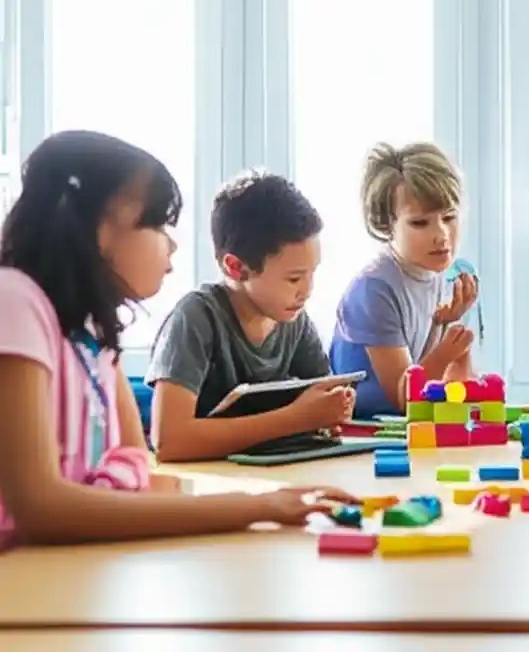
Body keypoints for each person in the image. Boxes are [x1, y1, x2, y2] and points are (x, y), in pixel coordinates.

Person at [0, 131, 352, 547]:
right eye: (157, 223)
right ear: (95, 229)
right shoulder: (15, 301)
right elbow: (42, 507)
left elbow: (140, 474)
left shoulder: (93, 330)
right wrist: (256, 507)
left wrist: (264, 504)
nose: (173, 242)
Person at [148, 172, 353, 461]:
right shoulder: (195, 318)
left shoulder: (293, 319)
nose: (307, 291)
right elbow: (169, 441)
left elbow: (323, 398)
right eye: (294, 278)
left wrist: (334, 407)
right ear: (235, 267)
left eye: (312, 273)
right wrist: (296, 419)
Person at [330, 143, 477, 417]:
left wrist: (449, 328)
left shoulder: (438, 276)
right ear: (386, 224)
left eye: (449, 217)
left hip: (410, 429)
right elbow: (405, 398)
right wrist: (448, 350)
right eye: (420, 223)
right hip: (363, 434)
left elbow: (454, 391)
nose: (441, 235)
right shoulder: (374, 289)